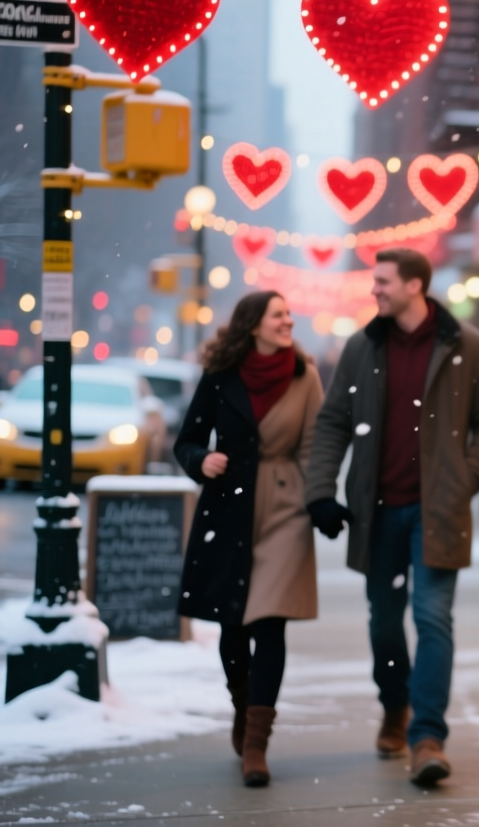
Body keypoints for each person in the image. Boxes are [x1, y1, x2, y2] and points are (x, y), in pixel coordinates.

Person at [304, 248, 479, 786]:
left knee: (432, 618)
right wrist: (321, 492)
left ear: (415, 284)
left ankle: (427, 736)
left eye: (383, 281)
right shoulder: (362, 347)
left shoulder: (465, 345)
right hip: (376, 511)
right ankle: (394, 704)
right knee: (383, 622)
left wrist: (464, 478)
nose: (374, 289)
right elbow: (332, 424)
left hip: (437, 512)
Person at [174, 290, 325, 788]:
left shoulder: (304, 377)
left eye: (288, 313)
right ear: (253, 324)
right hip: (228, 506)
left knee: (270, 623)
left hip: (285, 509)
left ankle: (257, 742)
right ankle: (243, 704)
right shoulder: (221, 375)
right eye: (278, 314)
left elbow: (314, 447)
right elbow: (186, 440)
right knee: (233, 625)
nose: (288, 320)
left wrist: (317, 500)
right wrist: (201, 460)